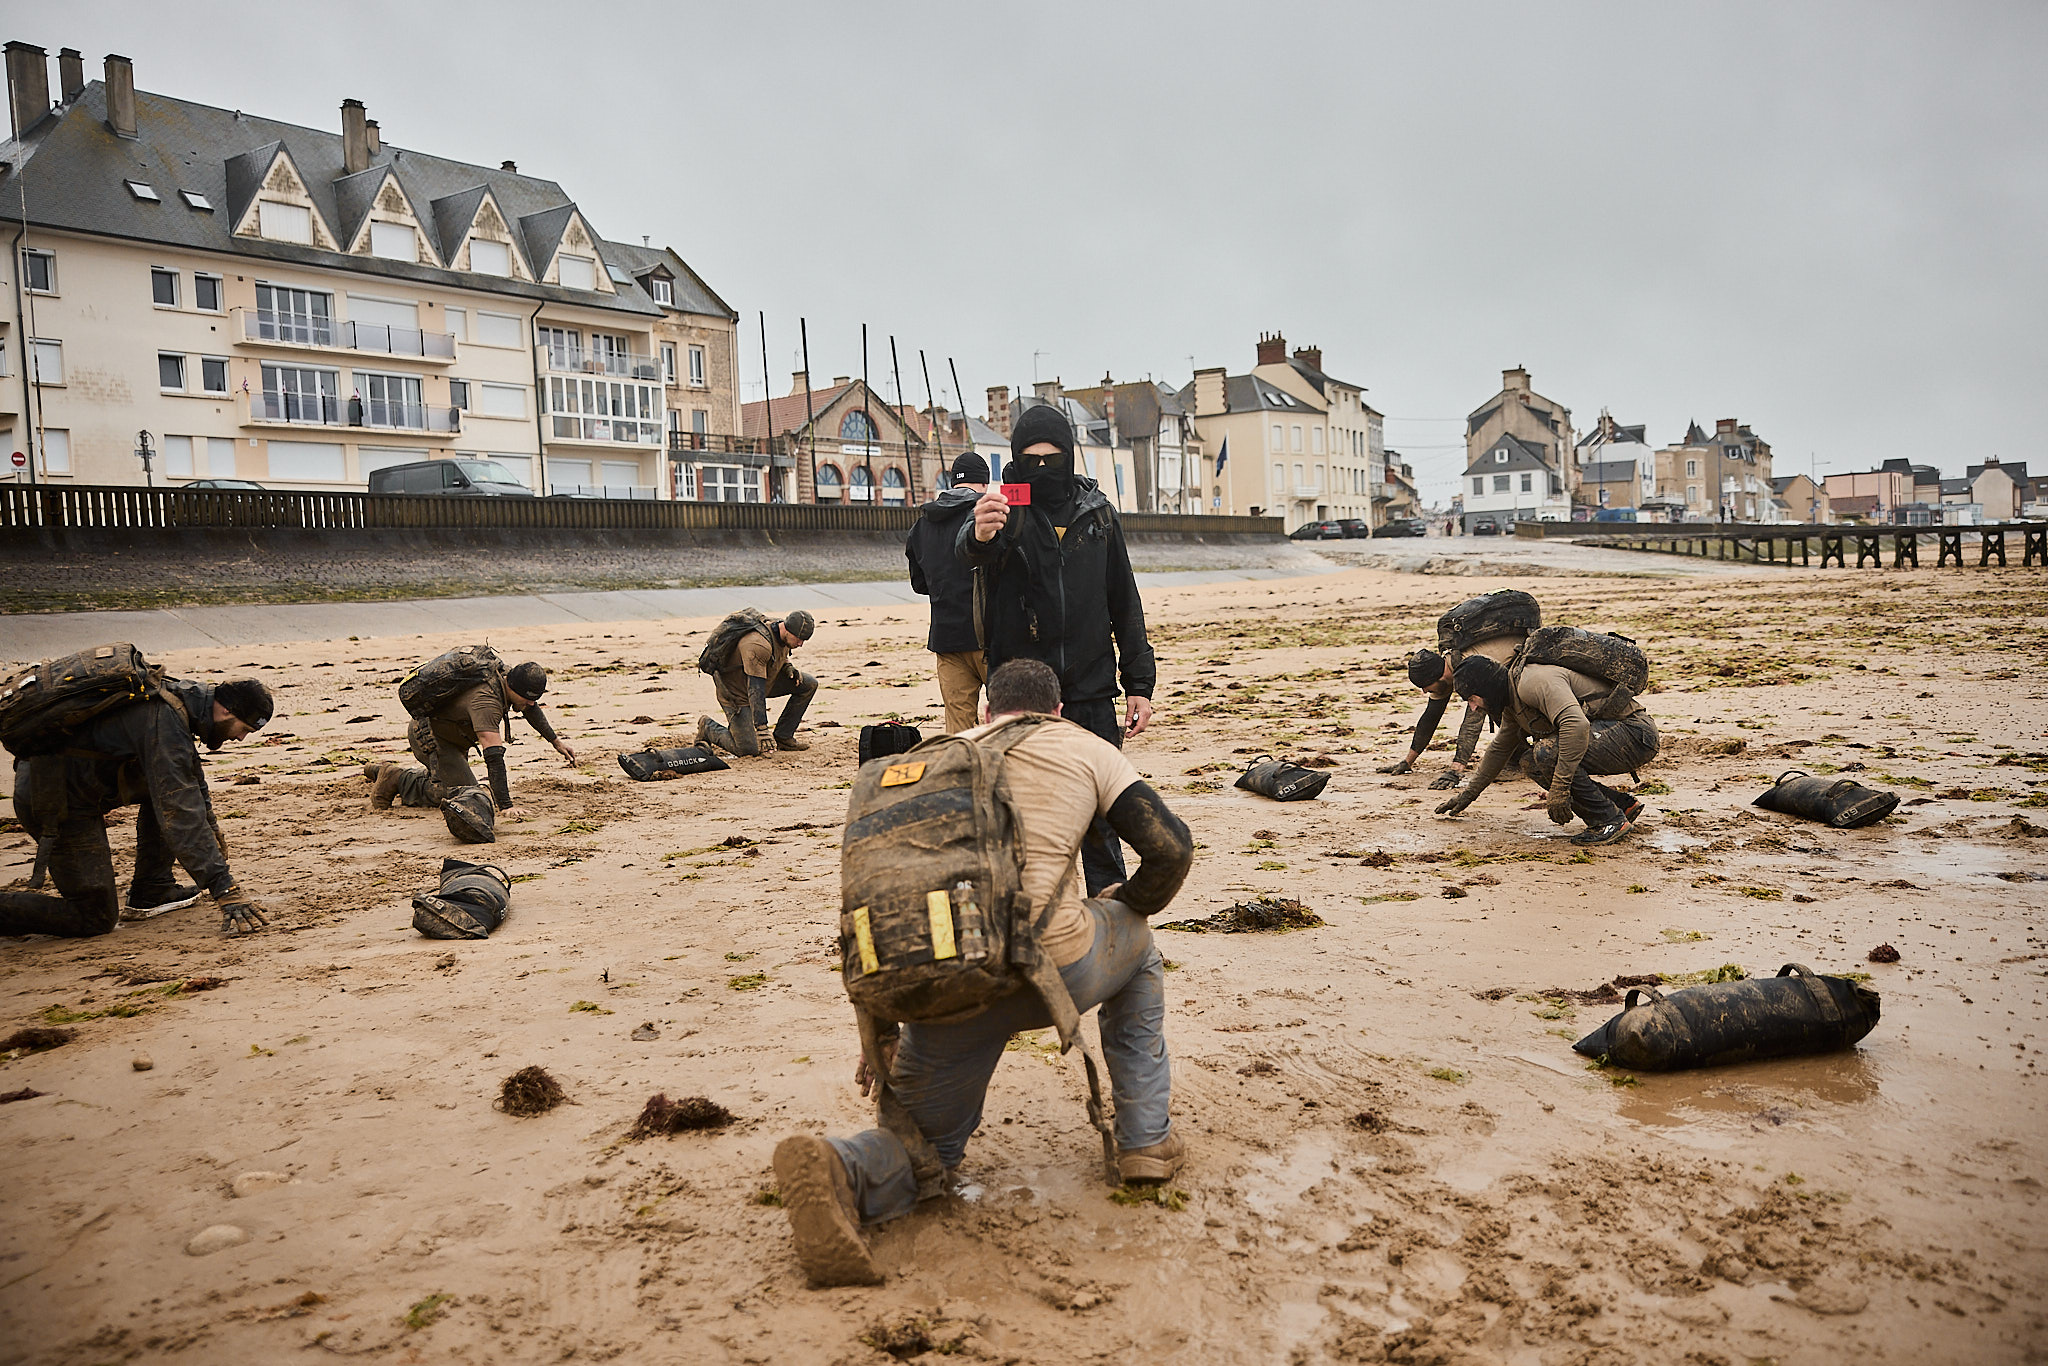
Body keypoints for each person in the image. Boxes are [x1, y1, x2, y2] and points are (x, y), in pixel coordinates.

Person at [770, 659, 1194, 1286]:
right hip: (1058, 967)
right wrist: (1122, 908)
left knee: (929, 1157)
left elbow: (886, 889)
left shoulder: (935, 756)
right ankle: (1143, 1142)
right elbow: (1171, 849)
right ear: (1057, 710)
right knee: (1141, 952)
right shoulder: (1088, 747)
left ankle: (843, 1169)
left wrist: (886, 1020)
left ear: (988, 711)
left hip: (946, 979)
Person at [959, 403, 1156, 894]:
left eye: (1052, 457)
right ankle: (1031, 922)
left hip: (1091, 688)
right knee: (1023, 816)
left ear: (1070, 455)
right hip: (1022, 694)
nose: (1042, 467)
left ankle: (1110, 915)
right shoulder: (1005, 511)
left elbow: (1124, 602)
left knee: (1100, 816)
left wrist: (1140, 684)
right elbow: (969, 548)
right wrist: (981, 530)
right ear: (1015, 459)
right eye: (1030, 458)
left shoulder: (1100, 515)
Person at [2, 676, 271, 938]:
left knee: (167, 789)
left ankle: (152, 890)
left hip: (77, 783)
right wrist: (225, 889)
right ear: (226, 710)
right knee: (93, 916)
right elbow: (180, 810)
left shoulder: (178, 699)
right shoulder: (164, 720)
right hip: (52, 797)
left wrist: (212, 827)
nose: (241, 739)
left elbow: (190, 774)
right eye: (244, 729)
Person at [1433, 652, 1658, 845]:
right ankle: (1620, 806)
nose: (1472, 708)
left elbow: (1576, 725)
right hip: (1612, 735)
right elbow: (1500, 749)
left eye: (1472, 699)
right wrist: (1468, 795)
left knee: (1546, 752)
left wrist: (1559, 788)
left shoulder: (1533, 682)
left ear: (1487, 689)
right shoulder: (1511, 698)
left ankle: (1608, 821)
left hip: (1634, 734)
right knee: (1530, 761)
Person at [369, 660, 576, 817]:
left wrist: (555, 741)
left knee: (457, 785)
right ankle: (395, 777)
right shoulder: (486, 702)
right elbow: (494, 756)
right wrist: (506, 806)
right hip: (432, 738)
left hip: (454, 737)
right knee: (465, 797)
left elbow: (530, 708)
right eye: (528, 699)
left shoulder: (505, 676)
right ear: (513, 687)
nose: (531, 704)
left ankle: (400, 773)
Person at [905, 452, 990, 733]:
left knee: (959, 729)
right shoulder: (986, 516)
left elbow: (919, 584)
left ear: (952, 483)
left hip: (947, 638)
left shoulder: (921, 525)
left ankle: (965, 775)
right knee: (1008, 720)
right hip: (990, 637)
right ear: (985, 484)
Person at [1378, 637, 1529, 791]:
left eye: (1425, 686)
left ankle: (1521, 759)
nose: (1424, 691)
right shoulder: (1446, 670)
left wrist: (1455, 771)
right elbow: (1430, 717)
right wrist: (1407, 761)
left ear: (1440, 677)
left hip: (1524, 669)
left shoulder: (1470, 669)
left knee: (1495, 707)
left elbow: (1472, 723)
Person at [694, 610, 818, 757]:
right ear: (788, 629)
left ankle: (783, 737)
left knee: (808, 684)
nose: (800, 644)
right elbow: (755, 690)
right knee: (747, 749)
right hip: (737, 693)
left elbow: (779, 653)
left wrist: (787, 666)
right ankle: (707, 727)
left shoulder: (782, 632)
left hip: (766, 680)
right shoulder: (757, 644)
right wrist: (762, 730)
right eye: (799, 639)